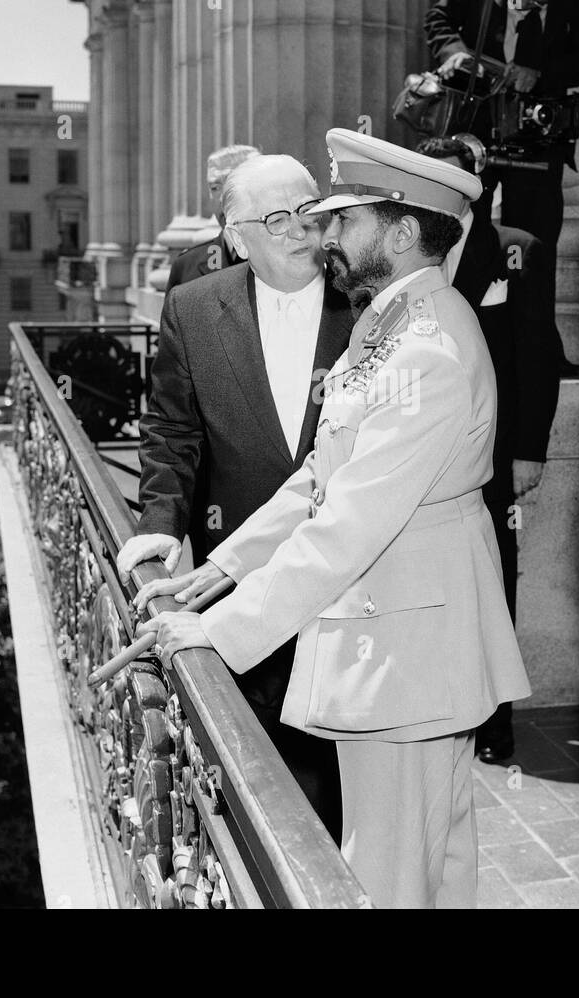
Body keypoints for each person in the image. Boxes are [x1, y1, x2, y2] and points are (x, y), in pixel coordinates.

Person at [138, 129, 530, 908]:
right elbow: (321, 476)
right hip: (400, 641)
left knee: (387, 876)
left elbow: (350, 521)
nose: (327, 235)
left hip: (408, 653)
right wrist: (219, 572)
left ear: (403, 231)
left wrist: (222, 628)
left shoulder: (425, 347)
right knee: (430, 864)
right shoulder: (390, 323)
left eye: (345, 219)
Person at [117, 154, 354, 841]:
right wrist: (161, 521)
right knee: (263, 775)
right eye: (277, 219)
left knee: (345, 783)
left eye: (310, 212)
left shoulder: (368, 303)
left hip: (350, 583)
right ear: (236, 237)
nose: (301, 231)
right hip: (241, 582)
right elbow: (172, 430)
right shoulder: (193, 309)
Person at [415, 134, 559, 765]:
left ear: (477, 183)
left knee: (494, 580)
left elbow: (538, 356)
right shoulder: (406, 248)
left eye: (456, 181)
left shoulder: (517, 251)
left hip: (494, 457)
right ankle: (435, 706)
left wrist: (530, 449)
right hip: (419, 452)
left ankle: (495, 725)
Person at [425, 0, 579, 378]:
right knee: (466, 241)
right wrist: (453, 53)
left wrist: (542, 74)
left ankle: (542, 355)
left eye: (538, 2)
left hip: (537, 143)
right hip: (475, 138)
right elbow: (437, 20)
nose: (526, 3)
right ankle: (455, 346)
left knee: (535, 252)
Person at [165, 145, 262, 292]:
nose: (222, 198)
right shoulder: (186, 267)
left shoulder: (288, 259)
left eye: (233, 183)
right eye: (215, 188)